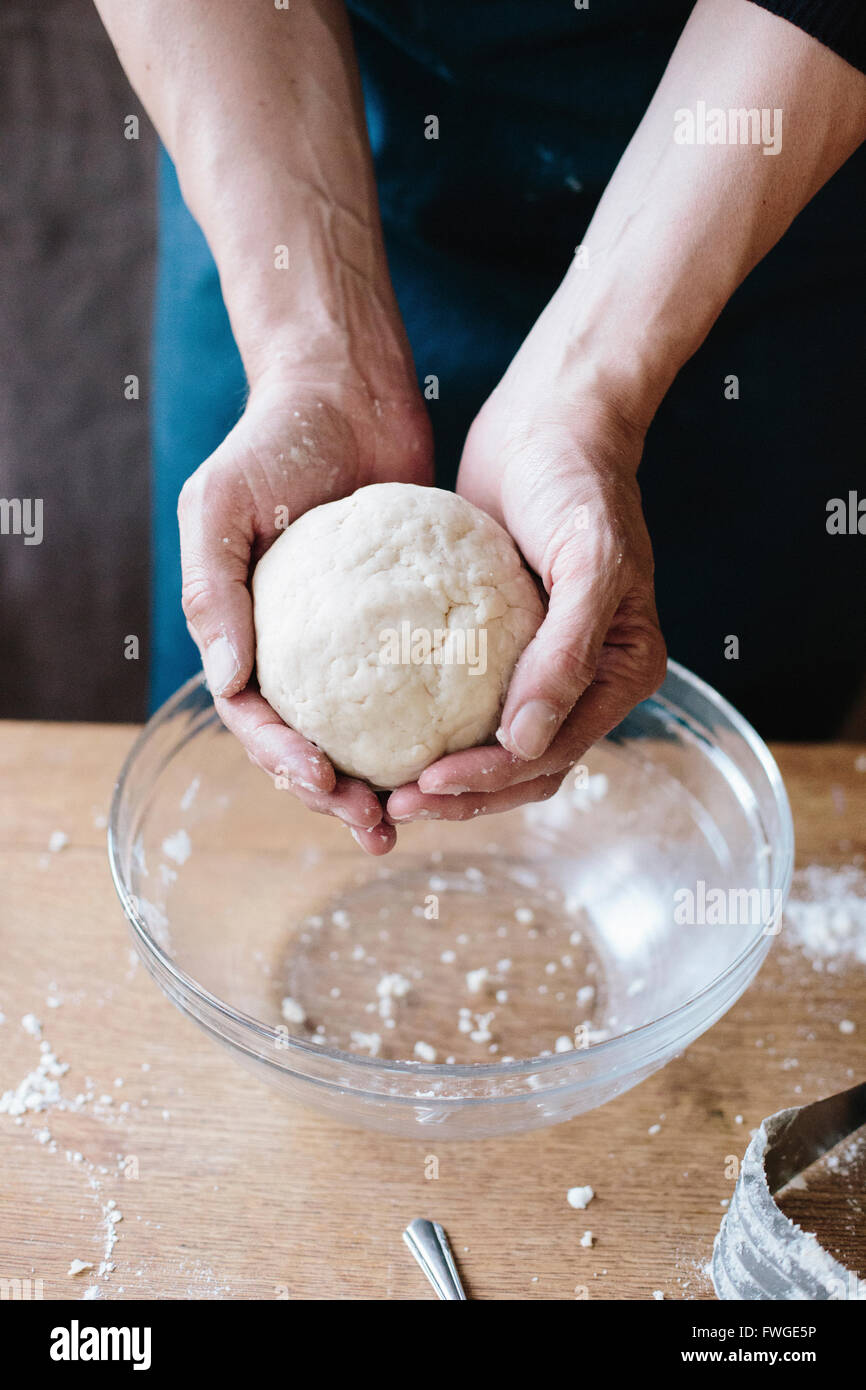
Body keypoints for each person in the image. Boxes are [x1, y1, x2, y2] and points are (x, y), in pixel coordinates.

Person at [94, 0, 866, 855]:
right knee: (238, 789)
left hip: (761, 160)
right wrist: (312, 354)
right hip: (286, 124)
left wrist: (592, 395)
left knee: (710, 800)